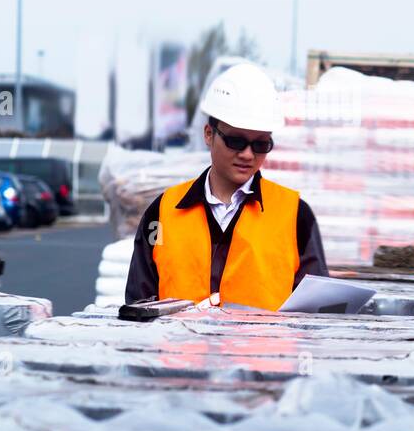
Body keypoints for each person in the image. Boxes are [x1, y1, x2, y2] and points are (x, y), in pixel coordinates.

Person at [123, 62, 328, 310]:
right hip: (179, 349)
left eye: (261, 144)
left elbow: (318, 311)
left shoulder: (296, 217)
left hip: (267, 350)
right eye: (235, 141)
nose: (247, 155)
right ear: (208, 134)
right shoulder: (162, 215)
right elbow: (139, 303)